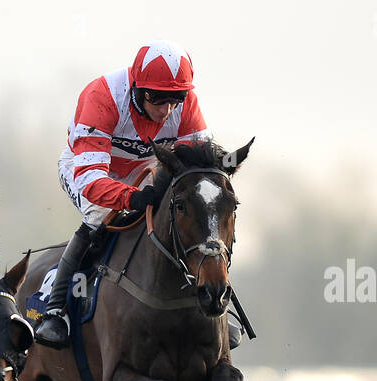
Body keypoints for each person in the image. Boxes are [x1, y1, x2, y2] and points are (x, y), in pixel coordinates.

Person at [34, 40, 240, 350]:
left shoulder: (187, 105)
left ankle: (219, 303)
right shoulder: (101, 96)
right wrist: (131, 198)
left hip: (149, 166)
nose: (166, 110)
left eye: (176, 99)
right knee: (99, 215)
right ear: (136, 88)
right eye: (157, 99)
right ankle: (55, 308)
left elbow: (199, 165)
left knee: (194, 211)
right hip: (90, 167)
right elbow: (92, 180)